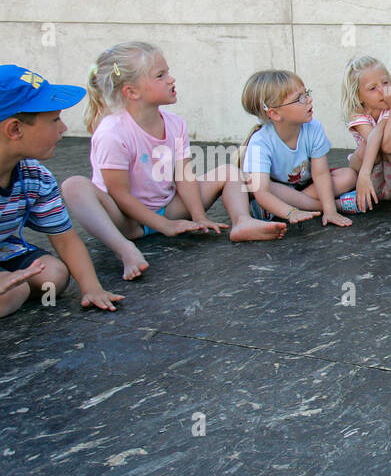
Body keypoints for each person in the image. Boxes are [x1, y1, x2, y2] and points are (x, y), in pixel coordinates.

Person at [61, 42, 282, 281]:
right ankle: (125, 250)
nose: (171, 79)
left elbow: (184, 175)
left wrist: (198, 216)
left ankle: (242, 221)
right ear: (131, 91)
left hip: (169, 209)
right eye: (160, 75)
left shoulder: (175, 123)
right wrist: (165, 227)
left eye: (168, 72)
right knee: (74, 185)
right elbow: (120, 196)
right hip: (127, 221)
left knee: (229, 170)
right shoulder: (112, 133)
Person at [0, 64, 123, 316]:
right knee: (17, 291)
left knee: (53, 278)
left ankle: (9, 283)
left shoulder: (35, 177)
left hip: (5, 249)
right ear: (14, 129)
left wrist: (91, 288)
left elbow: (65, 239)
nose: (63, 128)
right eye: (54, 119)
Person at [239, 69, 358, 228]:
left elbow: (320, 173)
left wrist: (330, 212)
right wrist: (291, 213)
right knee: (262, 187)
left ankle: (276, 209)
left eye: (306, 93)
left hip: (305, 186)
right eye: (299, 99)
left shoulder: (313, 127)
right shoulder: (260, 142)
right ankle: (329, 205)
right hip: (276, 188)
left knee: (348, 175)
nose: (309, 99)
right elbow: (261, 192)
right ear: (274, 113)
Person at [340, 55, 391, 214]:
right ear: (358, 96)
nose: (383, 91)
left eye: (385, 83)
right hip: (371, 180)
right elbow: (374, 143)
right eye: (373, 88)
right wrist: (364, 175)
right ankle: (337, 204)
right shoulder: (356, 112)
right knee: (367, 145)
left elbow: (387, 146)